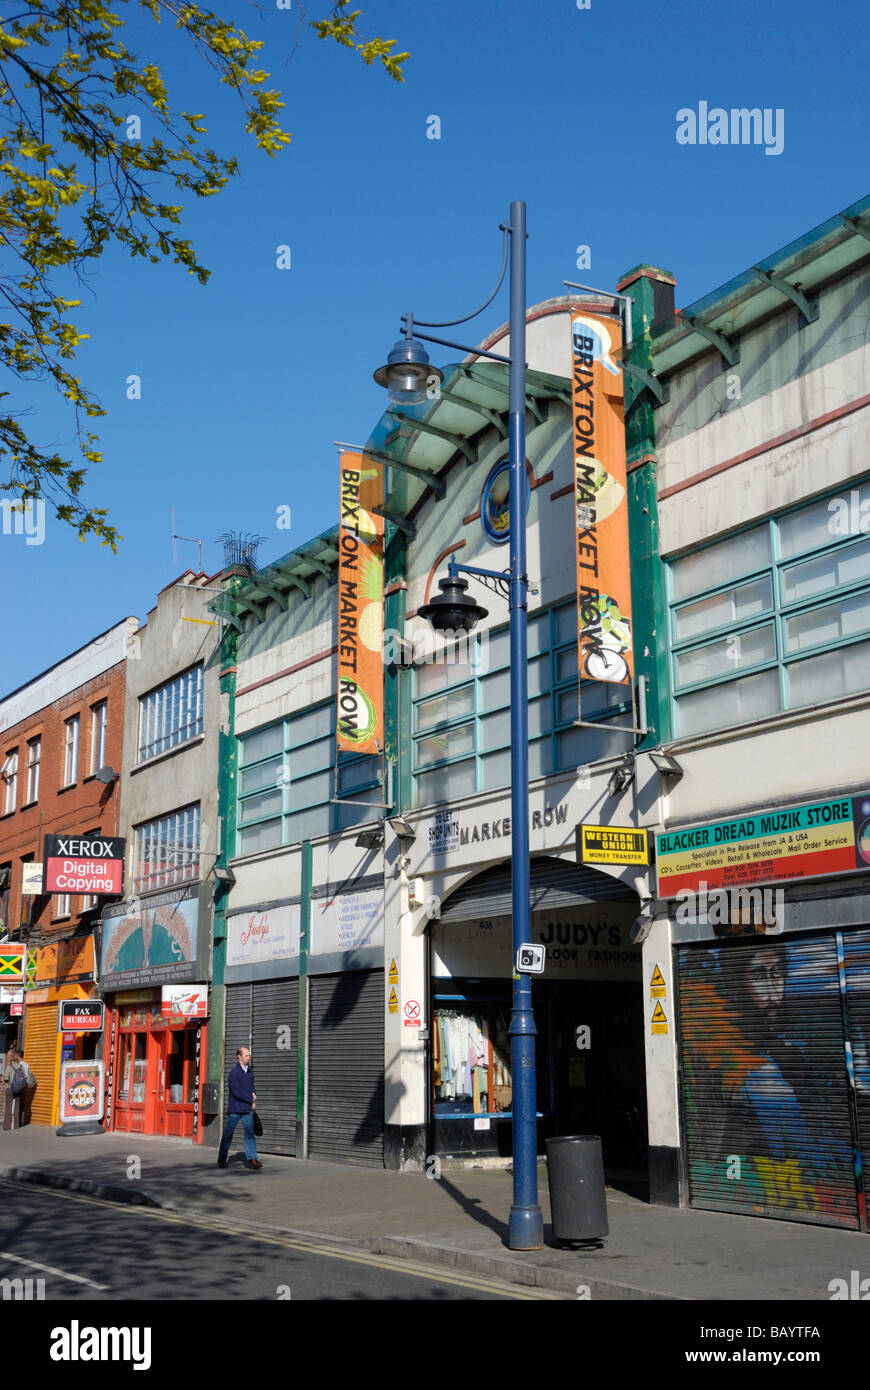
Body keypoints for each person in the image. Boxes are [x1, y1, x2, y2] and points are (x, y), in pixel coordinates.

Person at [217, 1045, 262, 1170]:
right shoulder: (233, 1074)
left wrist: (253, 1094)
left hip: (247, 1109)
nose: (249, 1058)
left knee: (249, 1134)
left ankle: (252, 1160)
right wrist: (251, 1100)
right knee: (228, 1134)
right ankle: (222, 1159)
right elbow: (237, 1092)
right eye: (246, 1055)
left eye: (249, 1055)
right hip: (236, 1109)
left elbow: (251, 1086)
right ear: (239, 1056)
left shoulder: (250, 1071)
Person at [13, 1049, 35, 1126]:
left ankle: (20, 1122)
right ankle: (17, 1121)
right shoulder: (17, 1064)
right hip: (18, 1085)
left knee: (21, 1103)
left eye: (15, 1055)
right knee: (18, 1103)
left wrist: (19, 1080)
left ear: (18, 1056)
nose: (15, 1056)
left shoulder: (24, 1064)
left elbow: (25, 1075)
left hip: (22, 1086)